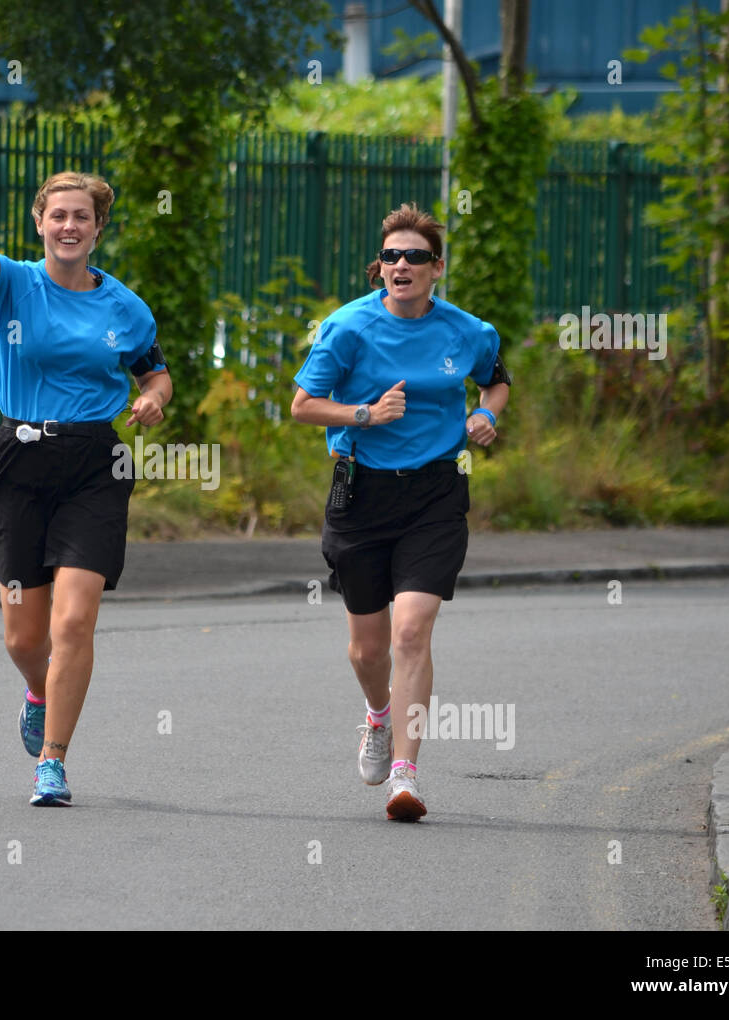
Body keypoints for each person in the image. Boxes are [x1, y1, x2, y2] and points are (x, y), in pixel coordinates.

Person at [0, 118, 172, 806]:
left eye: (82, 216)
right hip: (21, 463)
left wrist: (154, 400)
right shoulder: (13, 287)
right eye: (58, 215)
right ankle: (36, 687)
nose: (69, 225)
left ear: (98, 228)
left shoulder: (125, 307)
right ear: (41, 223)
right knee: (25, 636)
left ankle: (53, 760)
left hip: (93, 467)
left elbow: (153, 373)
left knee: (74, 621)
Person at [290, 203, 510, 821]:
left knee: (412, 629)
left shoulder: (469, 332)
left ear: (436, 268)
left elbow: (496, 381)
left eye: (415, 256)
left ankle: (406, 777)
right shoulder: (347, 328)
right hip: (360, 494)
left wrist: (486, 415)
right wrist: (365, 414)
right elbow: (304, 406)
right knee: (368, 650)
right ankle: (378, 716)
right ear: (379, 268)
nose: (402, 265)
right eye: (391, 256)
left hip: (435, 495)